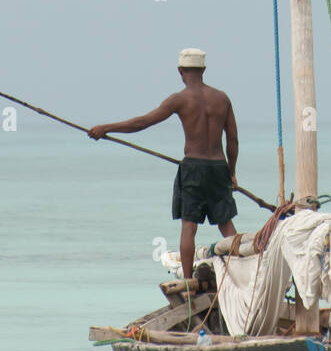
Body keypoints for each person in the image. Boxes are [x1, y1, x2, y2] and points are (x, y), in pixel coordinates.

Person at [88, 48, 238, 279]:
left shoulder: (179, 99)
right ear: (204, 69)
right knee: (225, 224)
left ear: (180, 71)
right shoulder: (222, 98)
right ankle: (240, 272)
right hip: (219, 167)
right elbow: (233, 139)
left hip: (193, 167)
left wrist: (106, 128)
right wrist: (232, 172)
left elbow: (142, 123)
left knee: (189, 226)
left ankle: (188, 282)